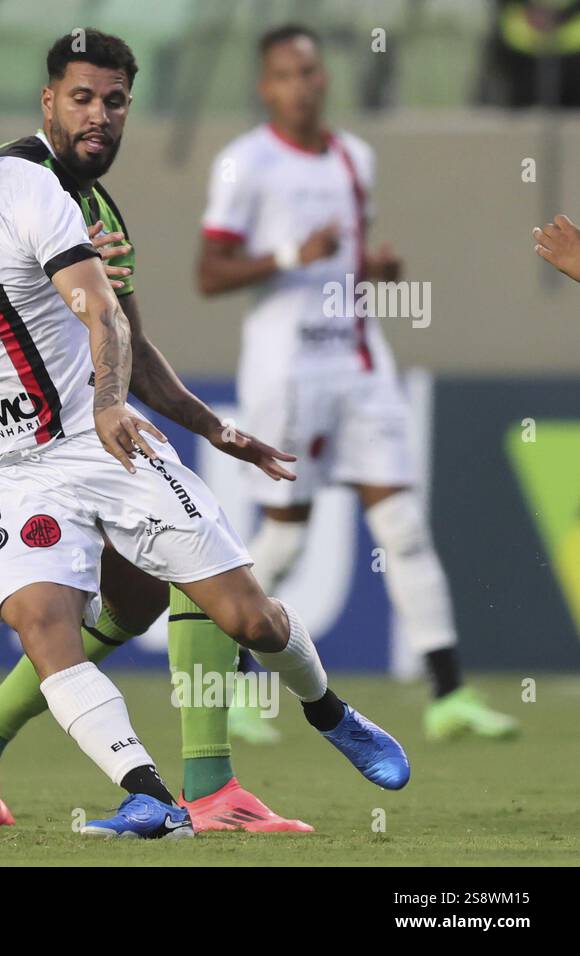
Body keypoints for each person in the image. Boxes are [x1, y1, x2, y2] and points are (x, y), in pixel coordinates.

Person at [0, 60, 410, 838]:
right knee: (42, 625)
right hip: (8, 469)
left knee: (248, 619)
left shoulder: (27, 195)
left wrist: (115, 404)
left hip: (98, 435)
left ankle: (331, 712)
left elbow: (104, 314)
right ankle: (150, 794)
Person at [0, 30, 309, 834]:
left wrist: (215, 426)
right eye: (82, 98)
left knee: (138, 592)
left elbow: (124, 343)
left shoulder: (91, 200)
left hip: (68, 428)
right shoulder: (12, 183)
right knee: (173, 561)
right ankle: (208, 789)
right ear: (48, 102)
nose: (99, 116)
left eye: (115, 100)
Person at [197, 24, 517, 742]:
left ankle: (448, 694)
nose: (301, 86)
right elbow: (209, 274)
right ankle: (233, 687)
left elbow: (343, 263)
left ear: (325, 80)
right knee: (287, 536)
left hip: (361, 362)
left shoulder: (354, 158)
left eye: (310, 72)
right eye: (285, 75)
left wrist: (374, 270)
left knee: (401, 525)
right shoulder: (243, 164)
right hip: (288, 372)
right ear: (264, 86)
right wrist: (289, 252)